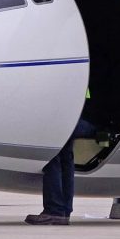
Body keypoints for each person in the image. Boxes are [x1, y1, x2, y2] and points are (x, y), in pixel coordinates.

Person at [26, 91, 97, 225]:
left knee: (52, 158)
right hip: (82, 117)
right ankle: (63, 212)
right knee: (65, 158)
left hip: (71, 118)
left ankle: (54, 210)